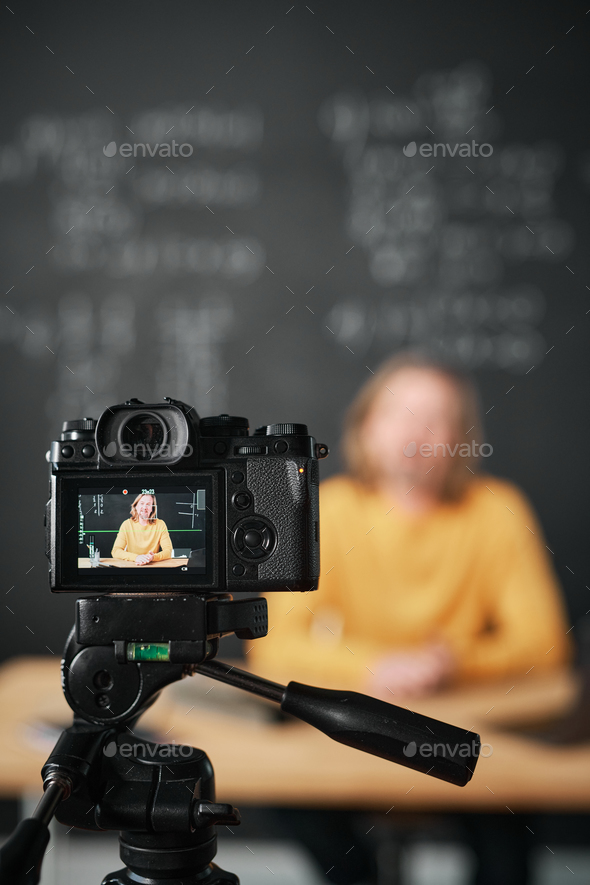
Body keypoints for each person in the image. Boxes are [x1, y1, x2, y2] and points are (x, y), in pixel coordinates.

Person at [251, 351, 571, 699]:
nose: (415, 432)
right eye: (397, 413)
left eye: (435, 418)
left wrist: (457, 663)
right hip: (361, 709)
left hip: (468, 712)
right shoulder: (328, 510)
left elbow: (546, 647)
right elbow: (273, 645)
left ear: (460, 438)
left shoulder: (498, 511)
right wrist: (373, 666)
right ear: (366, 428)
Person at [111, 493, 172, 565]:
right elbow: (115, 551)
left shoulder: (160, 524)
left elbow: (168, 551)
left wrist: (153, 557)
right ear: (136, 506)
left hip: (152, 566)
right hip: (132, 565)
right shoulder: (126, 524)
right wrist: (136, 557)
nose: (144, 507)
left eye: (148, 504)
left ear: (152, 508)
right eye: (142, 503)